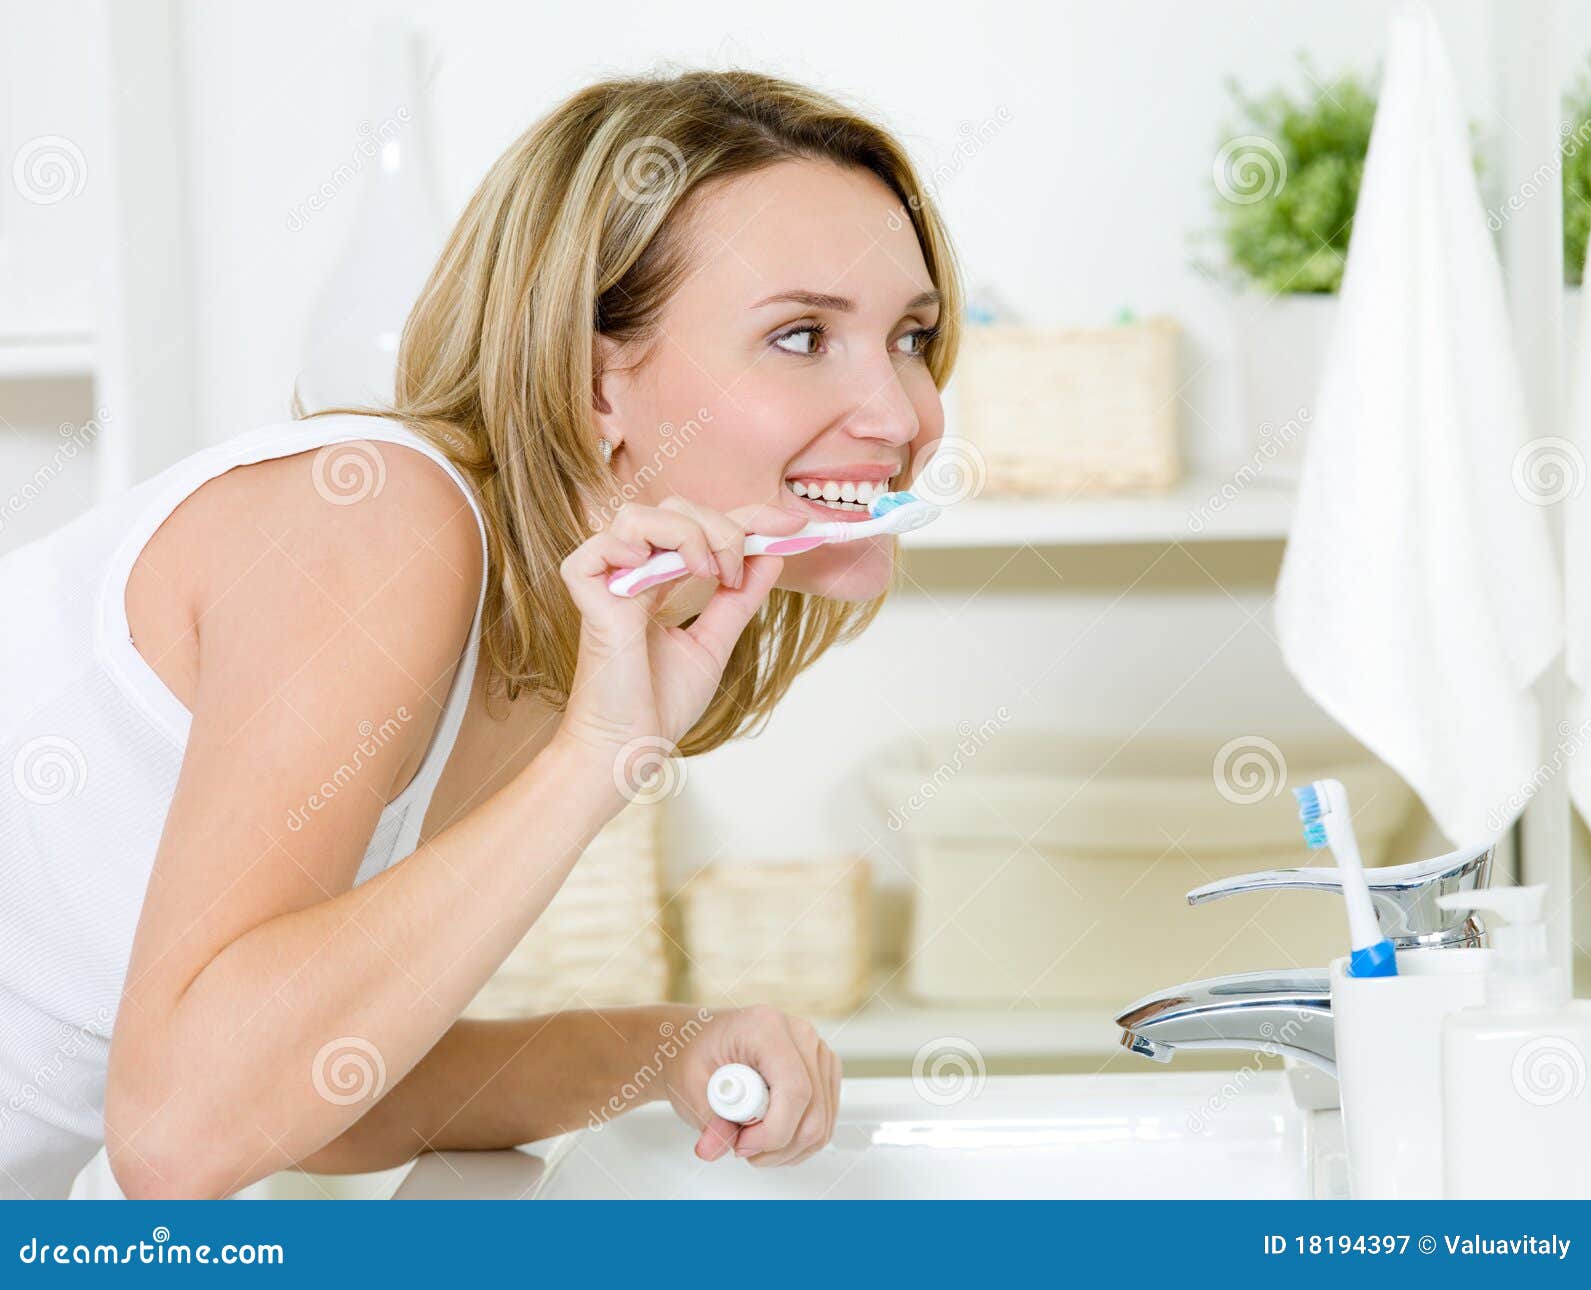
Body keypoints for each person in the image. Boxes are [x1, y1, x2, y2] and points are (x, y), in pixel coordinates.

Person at [0, 67, 961, 1200]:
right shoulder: (375, 524)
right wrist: (592, 766)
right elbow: (180, 1134)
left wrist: (672, 1047)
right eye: (802, 336)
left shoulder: (546, 625)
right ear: (598, 381)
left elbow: (323, 1092)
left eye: (910, 335)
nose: (901, 418)